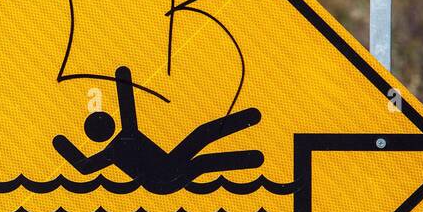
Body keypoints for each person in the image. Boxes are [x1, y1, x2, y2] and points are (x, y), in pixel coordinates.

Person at [52, 66, 264, 195]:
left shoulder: (126, 136)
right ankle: (255, 155)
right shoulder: (116, 147)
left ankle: (251, 124)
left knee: (202, 136)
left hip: (168, 166)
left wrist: (122, 79)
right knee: (202, 159)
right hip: (162, 182)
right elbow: (85, 167)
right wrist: (61, 143)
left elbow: (126, 108)